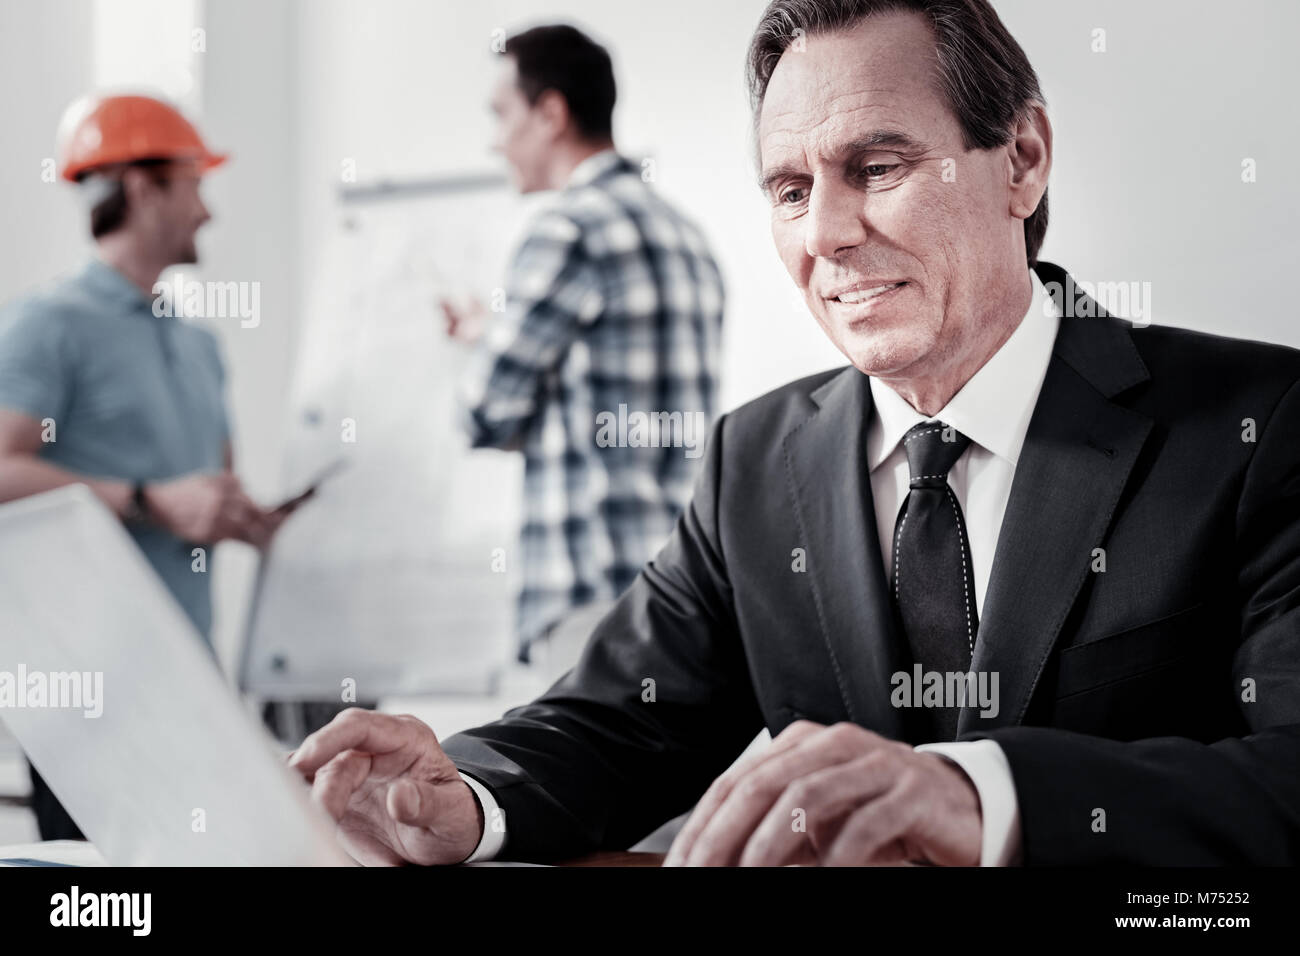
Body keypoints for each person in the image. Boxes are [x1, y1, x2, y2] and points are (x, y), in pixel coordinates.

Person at [291, 0, 1300, 866]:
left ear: (1021, 161)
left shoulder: (1259, 424)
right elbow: (623, 718)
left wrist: (981, 794)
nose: (824, 232)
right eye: (789, 189)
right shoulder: (757, 460)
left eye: (877, 164)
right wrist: (460, 794)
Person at [0, 94, 288, 839]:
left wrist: (237, 515)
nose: (207, 210)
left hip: (190, 676)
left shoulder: (198, 344)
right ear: (140, 185)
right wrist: (146, 498)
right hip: (89, 689)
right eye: (194, 183)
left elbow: (203, 488)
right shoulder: (50, 325)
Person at [442, 24, 726, 665]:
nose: (495, 141)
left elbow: (484, 413)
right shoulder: (687, 238)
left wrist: (484, 350)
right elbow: (615, 371)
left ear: (550, 113)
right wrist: (498, 332)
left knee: (576, 766)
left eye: (501, 114)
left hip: (589, 596)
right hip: (685, 591)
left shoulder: (564, 230)